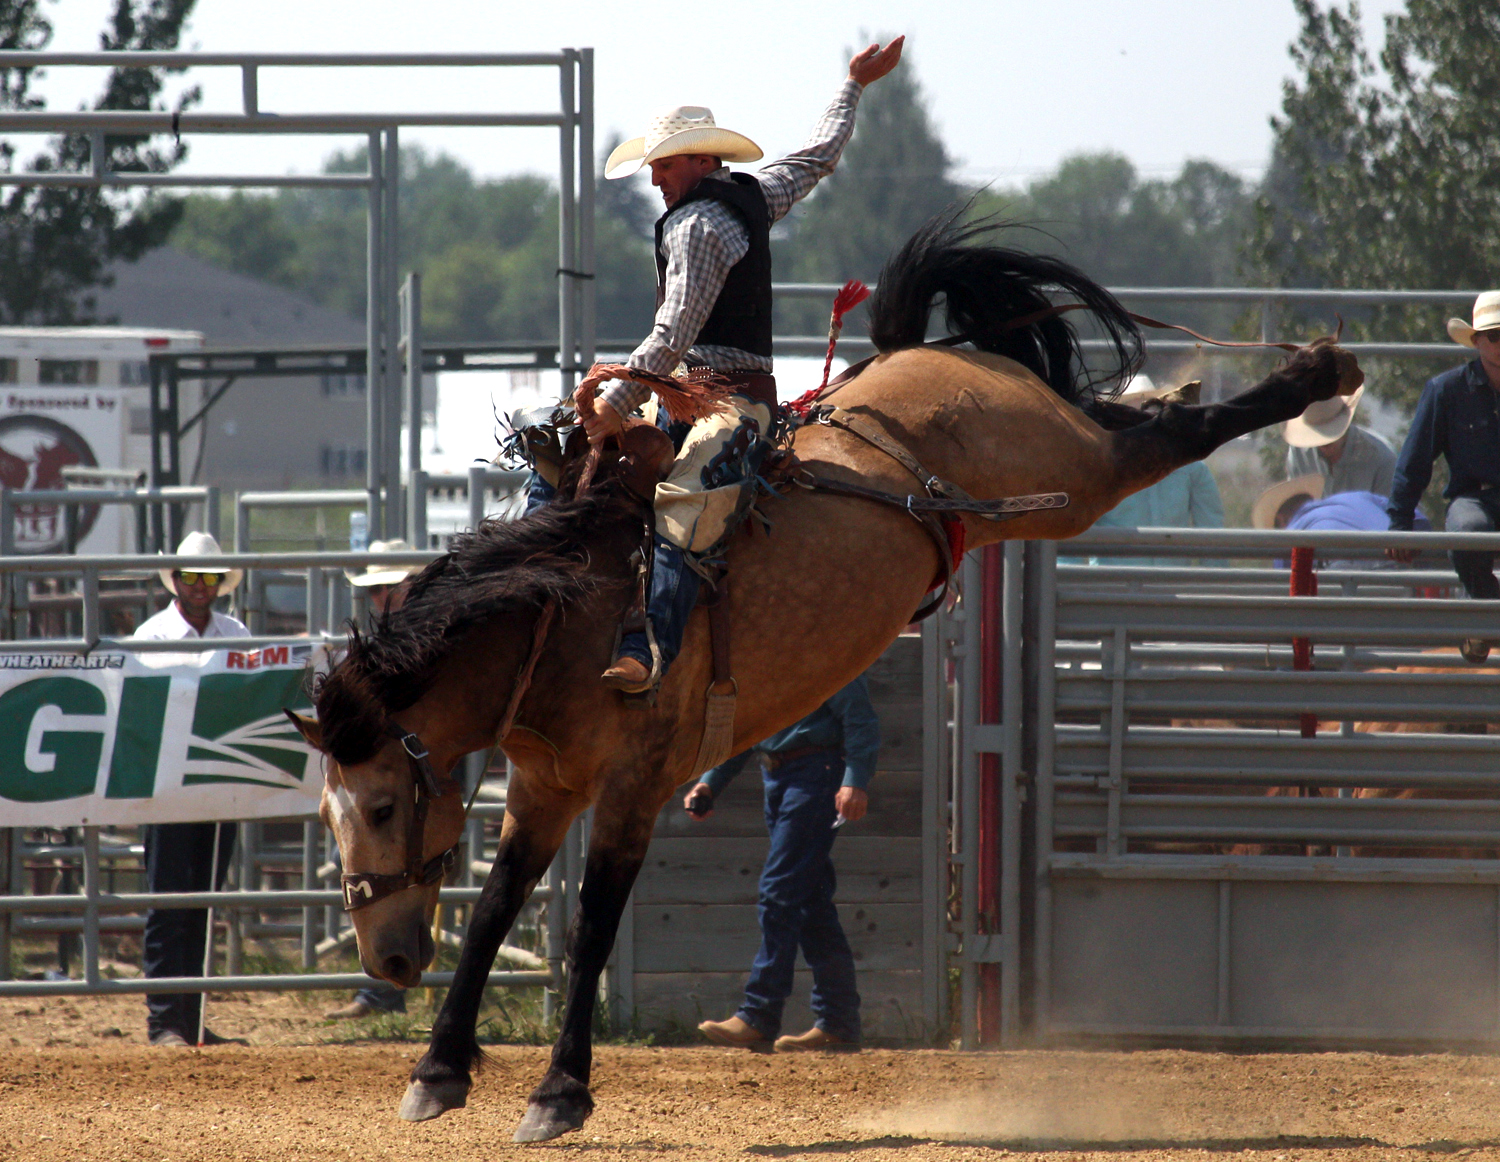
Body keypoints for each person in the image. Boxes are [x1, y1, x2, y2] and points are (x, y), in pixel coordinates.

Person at [571, 38, 906, 694]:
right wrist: (853, 85)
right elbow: (815, 159)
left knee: (680, 511)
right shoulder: (751, 197)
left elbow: (674, 332)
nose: (653, 178)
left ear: (700, 160)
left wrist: (611, 403)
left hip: (728, 404)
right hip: (690, 396)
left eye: (662, 165)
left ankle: (651, 655)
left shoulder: (697, 227)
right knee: (573, 471)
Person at [686, 676, 880, 1051]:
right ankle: (838, 1023)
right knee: (809, 903)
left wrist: (855, 779)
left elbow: (861, 718)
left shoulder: (825, 647)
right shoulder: (771, 655)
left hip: (816, 774)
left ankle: (759, 1015)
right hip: (780, 777)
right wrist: (711, 782)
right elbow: (746, 729)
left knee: (779, 892)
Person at [136, 532, 248, 1047]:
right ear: (176, 580)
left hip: (217, 780)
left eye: (209, 576)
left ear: (219, 584)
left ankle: (190, 1014)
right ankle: (164, 1021)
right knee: (167, 899)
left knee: (201, 898)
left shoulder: (236, 631)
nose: (200, 585)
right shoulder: (153, 635)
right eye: (191, 576)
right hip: (169, 782)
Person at [324, 539, 423, 1021]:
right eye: (376, 590)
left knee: (394, 875)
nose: (381, 598)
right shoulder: (383, 645)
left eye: (389, 587)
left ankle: (385, 990)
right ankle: (382, 989)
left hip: (412, 784)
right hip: (387, 787)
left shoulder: (427, 640)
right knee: (373, 875)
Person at [1386, 291, 1500, 662]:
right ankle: (1484, 608)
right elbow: (1415, 458)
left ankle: (1480, 615)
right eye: (1494, 336)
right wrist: (1400, 522)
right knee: (1466, 533)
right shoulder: (1447, 390)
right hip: (1475, 497)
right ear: (1478, 341)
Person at [1071, 377, 1224, 566]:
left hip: (1169, 585)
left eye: (1144, 411)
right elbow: (1073, 538)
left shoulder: (1192, 469)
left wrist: (1211, 587)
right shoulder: (1099, 470)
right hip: (1114, 586)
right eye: (1130, 412)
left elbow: (1212, 533)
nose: (1139, 420)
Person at [1284, 384, 1396, 498]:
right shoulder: (1299, 452)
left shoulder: (1382, 458)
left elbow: (1386, 512)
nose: (1324, 440)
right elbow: (1297, 506)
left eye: (1329, 431)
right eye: (1319, 432)